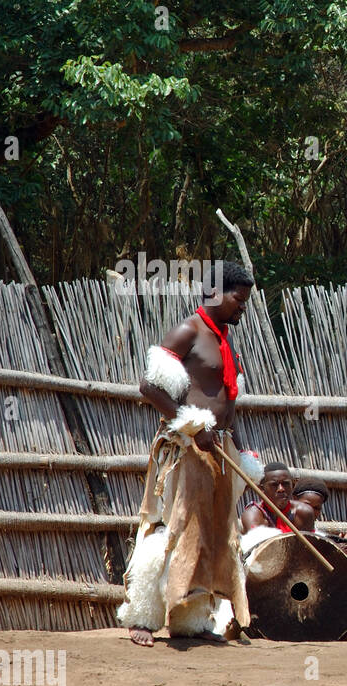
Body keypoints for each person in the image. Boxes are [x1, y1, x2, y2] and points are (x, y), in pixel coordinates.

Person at [117, 260, 264, 646]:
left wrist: (237, 443)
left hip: (217, 449)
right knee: (173, 530)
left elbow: (228, 401)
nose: (243, 306)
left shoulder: (223, 338)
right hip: (188, 449)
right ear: (215, 293)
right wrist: (192, 426)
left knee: (212, 536)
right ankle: (144, 618)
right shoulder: (189, 330)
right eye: (239, 298)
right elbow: (149, 387)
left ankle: (190, 621)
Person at [292, 477, 347, 552]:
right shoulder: (281, 531)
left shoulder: (320, 537)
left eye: (317, 508)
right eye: (307, 505)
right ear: (294, 500)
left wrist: (345, 542)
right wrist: (330, 551)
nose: (311, 511)